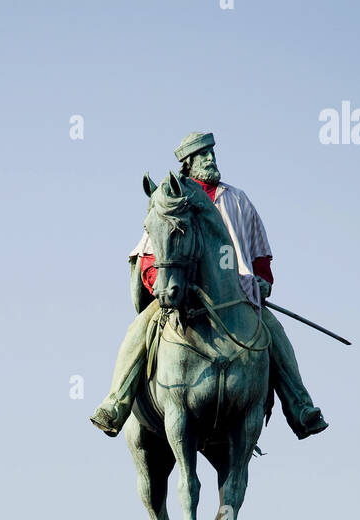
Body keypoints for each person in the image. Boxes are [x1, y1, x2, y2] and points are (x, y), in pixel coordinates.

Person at [91, 130, 328, 442]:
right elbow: (147, 256)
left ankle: (300, 406)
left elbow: (259, 254)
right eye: (202, 155)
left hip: (239, 296)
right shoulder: (172, 201)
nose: (210, 159)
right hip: (179, 297)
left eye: (212, 153)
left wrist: (263, 281)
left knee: (275, 333)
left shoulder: (238, 199)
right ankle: (116, 402)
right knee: (139, 329)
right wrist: (160, 284)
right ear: (187, 164)